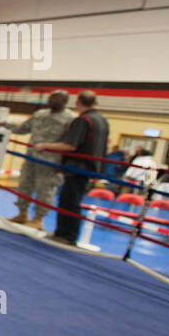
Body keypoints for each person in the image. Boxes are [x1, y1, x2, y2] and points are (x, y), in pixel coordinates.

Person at [33, 90, 110, 245]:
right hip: (90, 166)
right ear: (96, 103)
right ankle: (66, 234)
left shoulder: (83, 120)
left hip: (76, 167)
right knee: (73, 200)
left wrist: (44, 145)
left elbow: (70, 145)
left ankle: (66, 235)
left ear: (77, 103)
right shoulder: (102, 120)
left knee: (69, 201)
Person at [4, 90, 75, 227]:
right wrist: (3, 124)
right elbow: (23, 128)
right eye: (51, 97)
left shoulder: (71, 118)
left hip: (52, 162)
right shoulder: (40, 114)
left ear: (65, 101)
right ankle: (22, 213)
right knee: (24, 184)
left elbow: (70, 142)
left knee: (45, 189)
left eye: (58, 98)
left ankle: (38, 219)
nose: (53, 100)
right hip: (31, 157)